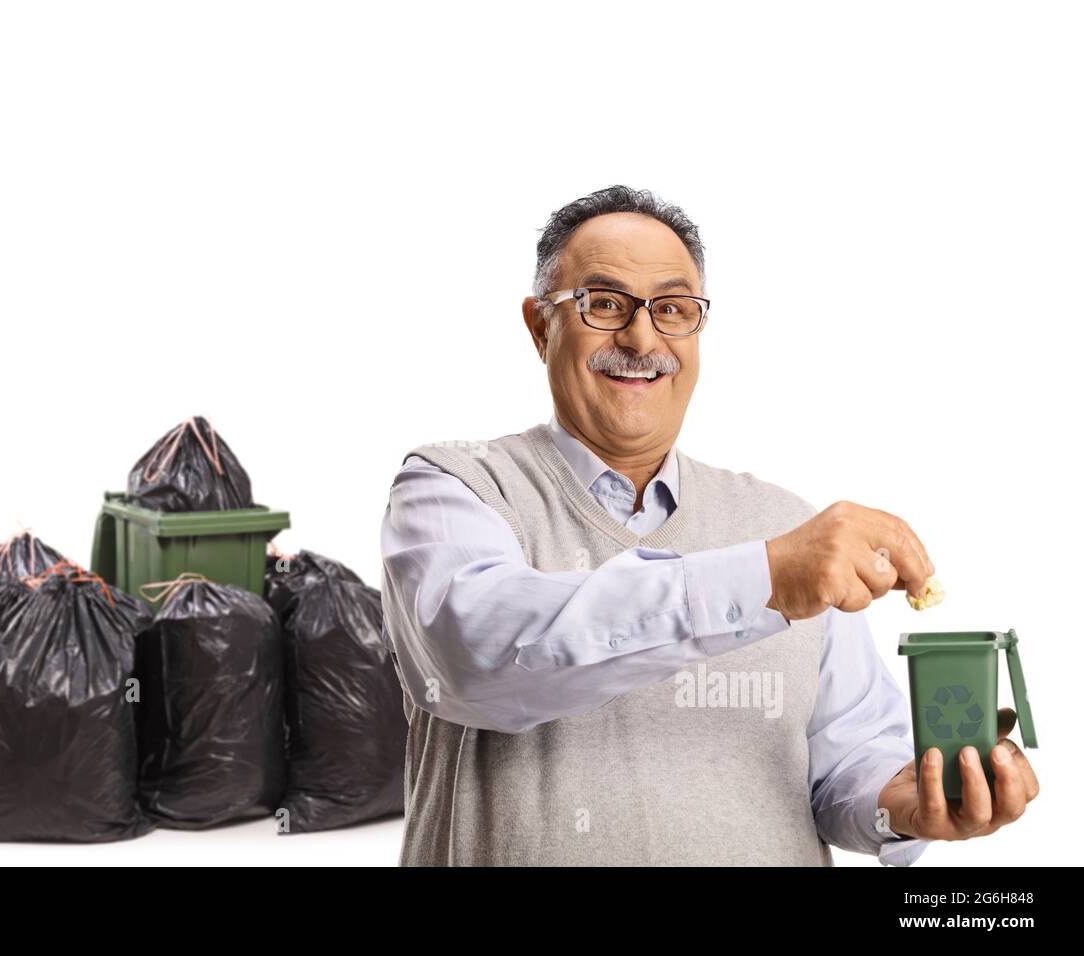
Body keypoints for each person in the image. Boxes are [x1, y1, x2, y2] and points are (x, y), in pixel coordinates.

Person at [379, 185, 1039, 866]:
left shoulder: (786, 524)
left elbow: (849, 758)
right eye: (604, 304)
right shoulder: (455, 487)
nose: (641, 338)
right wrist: (766, 579)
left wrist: (898, 801)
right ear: (540, 325)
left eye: (672, 310)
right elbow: (476, 656)